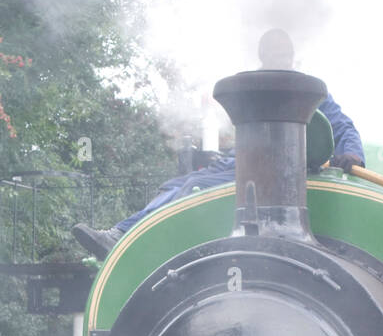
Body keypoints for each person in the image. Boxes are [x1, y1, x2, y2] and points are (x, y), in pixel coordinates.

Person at [72, 29, 365, 259]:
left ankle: (122, 237)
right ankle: (121, 235)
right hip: (244, 163)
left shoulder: (308, 90)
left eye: (284, 52)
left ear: (292, 55)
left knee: (191, 188)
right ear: (262, 55)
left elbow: (342, 126)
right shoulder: (253, 87)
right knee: (179, 185)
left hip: (292, 169)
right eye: (275, 52)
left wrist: (351, 153)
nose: (281, 57)